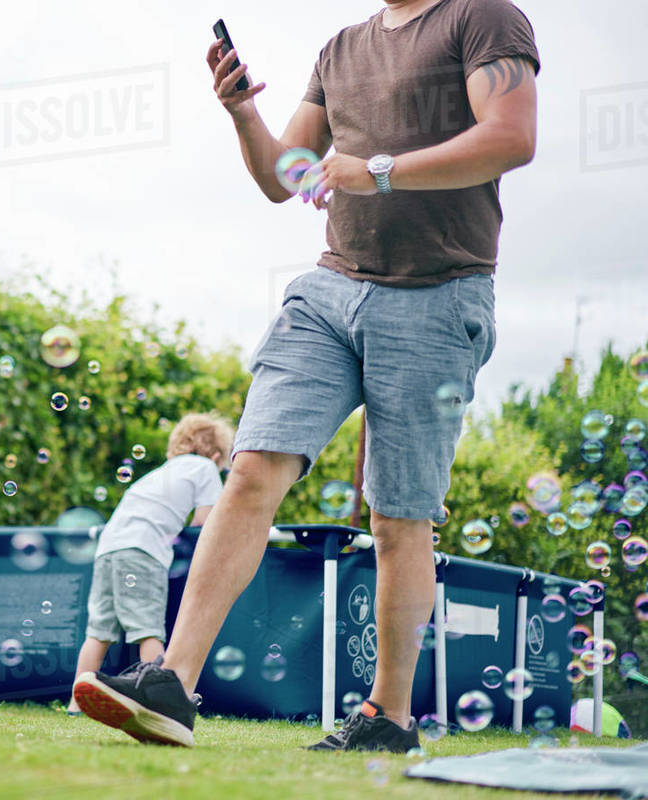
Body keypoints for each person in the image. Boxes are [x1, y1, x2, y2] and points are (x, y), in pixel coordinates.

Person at [73, 0, 538, 752]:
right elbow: (288, 177)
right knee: (252, 467)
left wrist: (378, 171)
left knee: (396, 517)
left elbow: (511, 137)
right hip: (330, 288)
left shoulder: (483, 18)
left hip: (439, 293)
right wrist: (242, 115)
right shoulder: (340, 49)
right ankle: (173, 686)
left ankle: (386, 717)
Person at [67, 413, 232, 721]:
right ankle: (155, 701)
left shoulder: (158, 473)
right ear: (215, 454)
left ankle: (76, 704)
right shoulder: (207, 467)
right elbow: (204, 522)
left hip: (108, 548)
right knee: (148, 629)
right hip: (142, 550)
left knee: (99, 631)